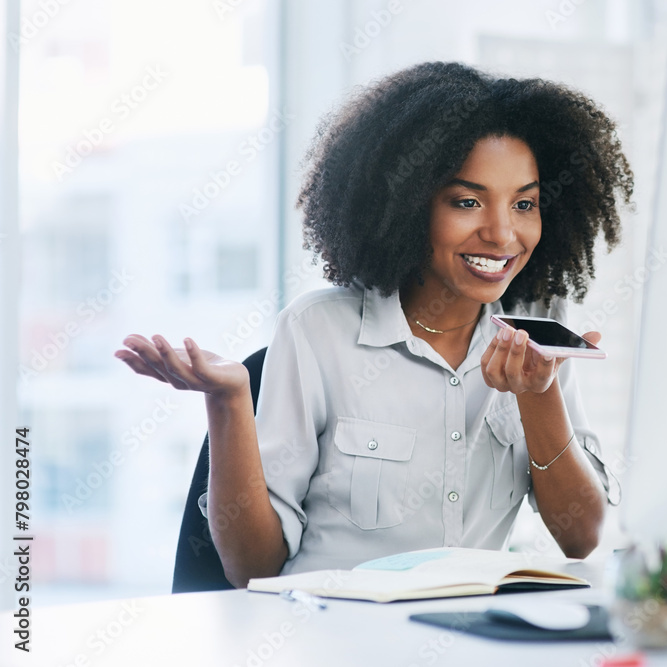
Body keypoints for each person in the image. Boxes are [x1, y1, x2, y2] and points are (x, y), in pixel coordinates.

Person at [115, 61, 634, 588]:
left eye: (524, 203)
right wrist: (229, 401)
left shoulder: (536, 337)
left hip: (463, 627)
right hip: (330, 625)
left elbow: (581, 537)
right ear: (408, 204)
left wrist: (538, 396)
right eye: (467, 202)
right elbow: (252, 568)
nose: (502, 234)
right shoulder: (317, 333)